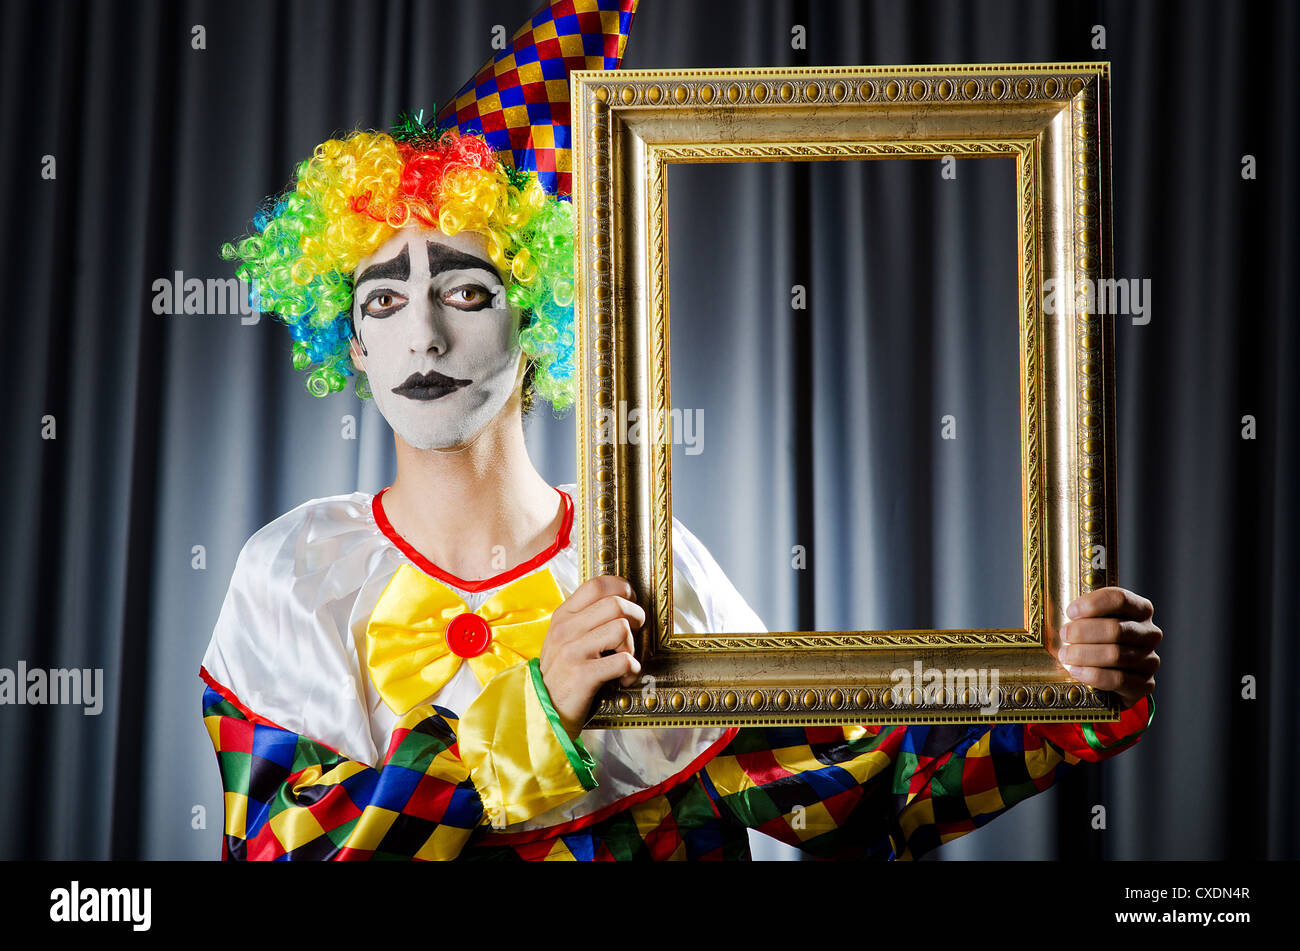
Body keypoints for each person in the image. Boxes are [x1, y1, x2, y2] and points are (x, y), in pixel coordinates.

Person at [201, 0, 1160, 861]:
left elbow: (853, 799)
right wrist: (534, 710)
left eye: (463, 288)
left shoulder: (657, 571)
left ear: (539, 313)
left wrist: (1062, 700)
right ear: (351, 343)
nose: (424, 332)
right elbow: (287, 852)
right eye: (383, 300)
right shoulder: (295, 574)